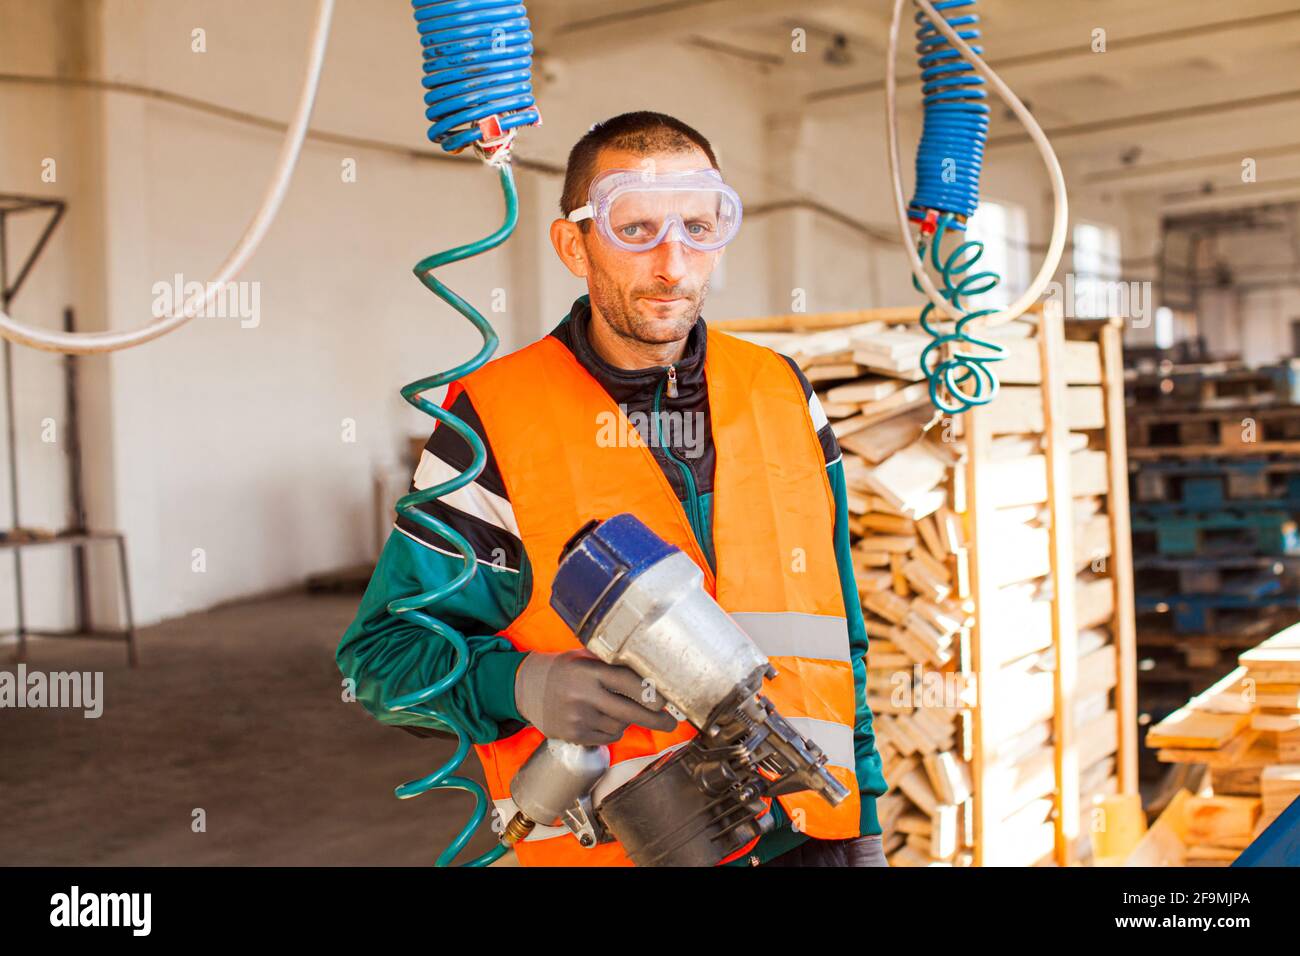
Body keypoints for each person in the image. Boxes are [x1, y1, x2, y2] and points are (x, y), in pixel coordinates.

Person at [338, 110, 889, 867]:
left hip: (807, 835)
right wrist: (519, 683)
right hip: (627, 849)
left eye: (700, 226)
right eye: (637, 230)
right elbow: (383, 659)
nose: (673, 264)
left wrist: (864, 820)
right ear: (574, 244)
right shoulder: (496, 418)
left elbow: (839, 632)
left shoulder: (780, 391)